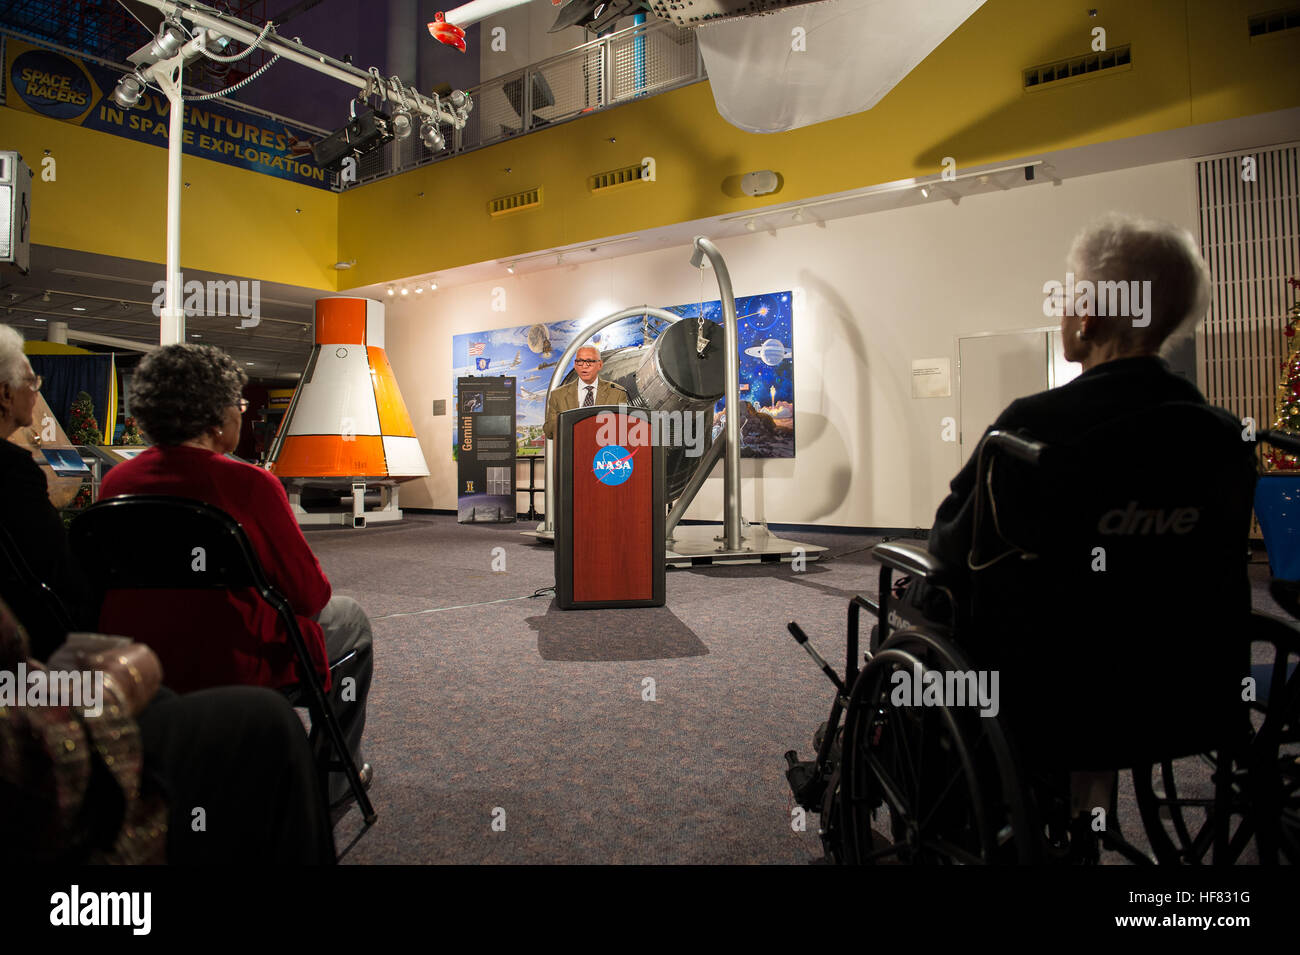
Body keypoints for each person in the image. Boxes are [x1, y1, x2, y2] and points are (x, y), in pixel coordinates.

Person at [96, 344, 373, 805]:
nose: (241, 415)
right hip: (234, 659)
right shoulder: (249, 484)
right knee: (352, 620)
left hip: (139, 656)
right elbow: (309, 595)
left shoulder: (116, 483)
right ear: (216, 414)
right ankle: (331, 779)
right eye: (239, 404)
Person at [0, 597, 336, 863]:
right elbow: (309, 591)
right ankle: (334, 786)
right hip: (45, 754)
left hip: (71, 666)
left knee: (166, 700)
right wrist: (114, 687)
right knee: (267, 722)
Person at [0, 325, 90, 660]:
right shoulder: (14, 472)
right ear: (6, 395)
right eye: (31, 383)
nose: (36, 393)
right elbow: (55, 568)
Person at [542, 346, 630, 440]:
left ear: (600, 365)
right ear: (575, 366)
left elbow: (623, 430)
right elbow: (549, 432)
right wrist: (565, 420)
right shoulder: (558, 395)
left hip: (604, 452)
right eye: (580, 362)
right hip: (570, 452)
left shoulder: (617, 393)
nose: (584, 366)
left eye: (590, 361)